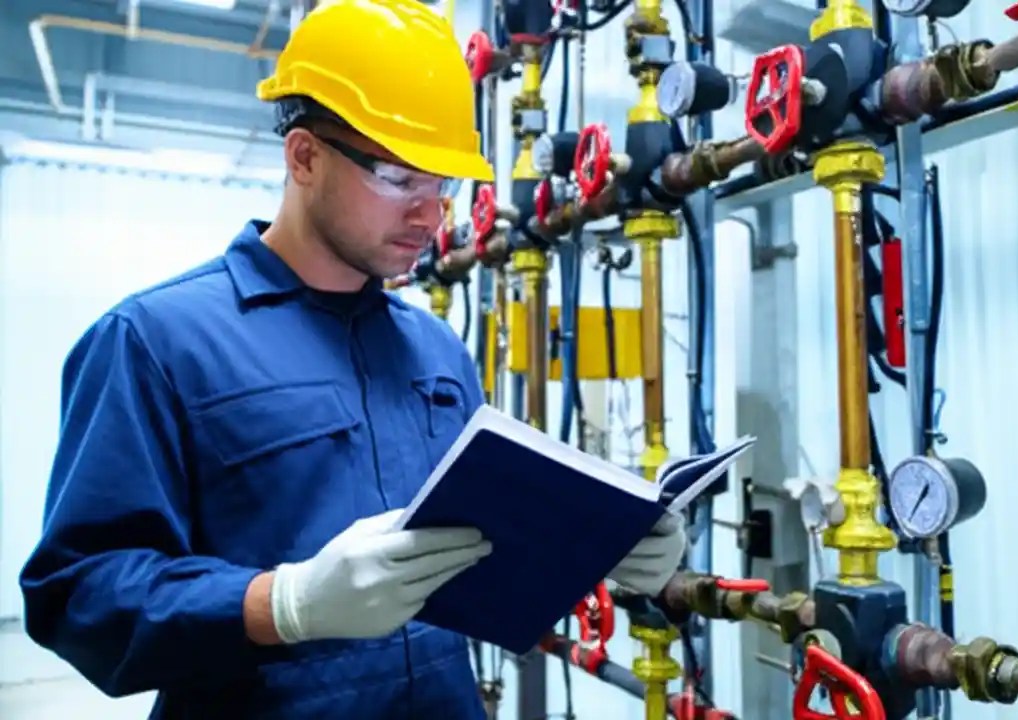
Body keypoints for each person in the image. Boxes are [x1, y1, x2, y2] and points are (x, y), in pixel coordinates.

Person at [17, 1, 686, 718]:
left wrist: (596, 549)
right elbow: (78, 595)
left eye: (443, 187)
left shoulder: (434, 350)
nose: (431, 218)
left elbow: (485, 545)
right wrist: (286, 604)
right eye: (400, 180)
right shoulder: (155, 341)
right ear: (304, 156)